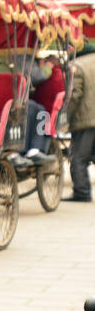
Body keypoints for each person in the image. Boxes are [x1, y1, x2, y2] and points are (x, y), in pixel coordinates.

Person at [64, 40, 95, 202]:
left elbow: (74, 95)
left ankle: (82, 192)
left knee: (78, 157)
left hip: (86, 119)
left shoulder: (76, 66)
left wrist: (66, 117)